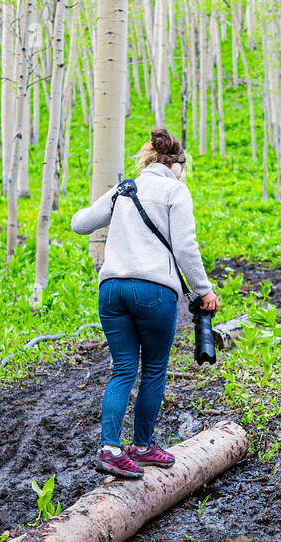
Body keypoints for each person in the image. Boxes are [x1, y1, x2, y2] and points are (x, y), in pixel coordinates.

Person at [70, 128, 219, 478]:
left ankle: (109, 449)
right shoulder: (175, 190)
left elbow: (79, 224)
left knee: (123, 369)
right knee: (152, 368)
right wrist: (204, 290)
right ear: (177, 166)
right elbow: (185, 247)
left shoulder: (126, 189)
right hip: (153, 292)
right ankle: (142, 446)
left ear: (149, 159)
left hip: (111, 290)